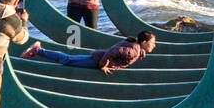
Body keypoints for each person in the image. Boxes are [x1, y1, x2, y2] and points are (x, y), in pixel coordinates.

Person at [22, 31, 155, 74]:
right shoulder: (133, 50)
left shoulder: (136, 48)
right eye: (152, 43)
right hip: (95, 61)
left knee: (69, 58)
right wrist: (103, 66)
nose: (154, 46)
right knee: (67, 59)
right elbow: (111, 52)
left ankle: (38, 50)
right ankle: (38, 50)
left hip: (96, 59)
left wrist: (141, 53)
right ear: (143, 42)